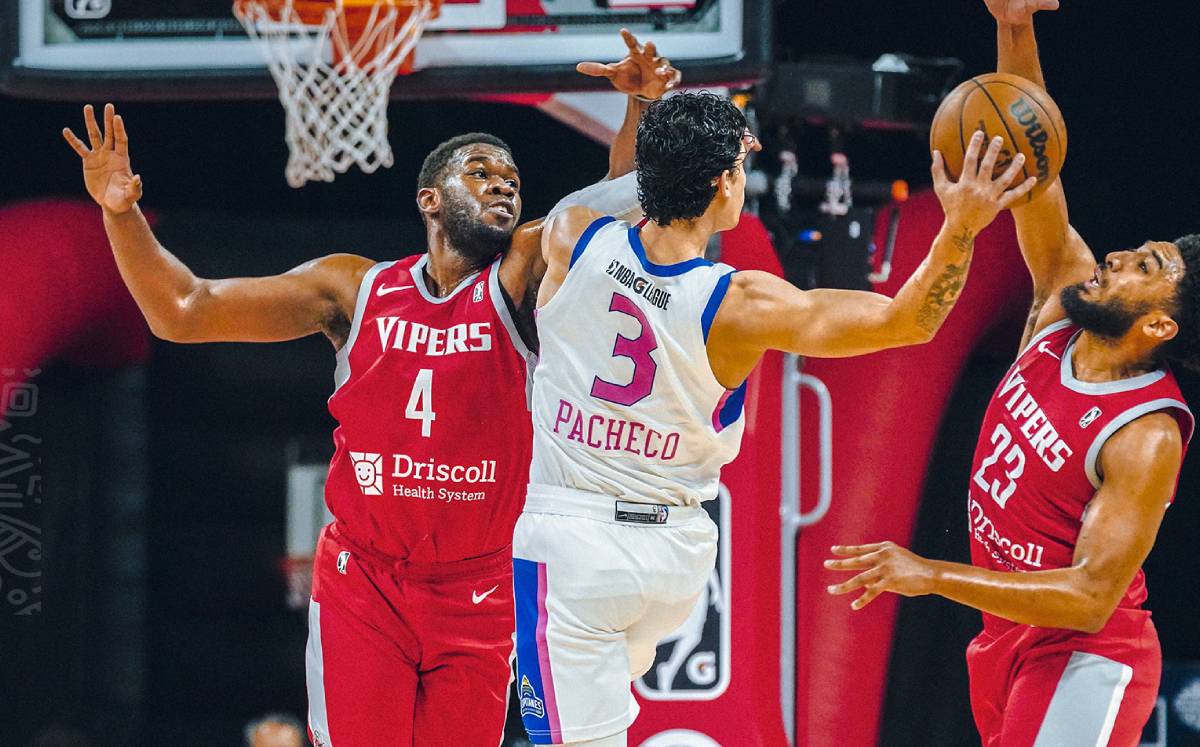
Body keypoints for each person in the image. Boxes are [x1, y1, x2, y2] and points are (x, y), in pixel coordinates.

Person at [61, 32, 679, 747]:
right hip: (368, 582)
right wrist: (119, 212)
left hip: (478, 591)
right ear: (431, 198)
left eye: (511, 177)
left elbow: (618, 204)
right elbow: (183, 310)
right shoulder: (355, 287)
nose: (504, 183)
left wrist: (641, 105)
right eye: (480, 171)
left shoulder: (520, 279)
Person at [512, 92, 1037, 746]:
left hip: (576, 542)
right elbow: (911, 320)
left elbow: (605, 199)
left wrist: (647, 117)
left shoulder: (572, 236)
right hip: (675, 559)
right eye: (737, 164)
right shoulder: (741, 304)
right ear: (722, 184)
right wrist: (960, 226)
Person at [824, 3, 1197, 745]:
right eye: (1135, 249)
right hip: (1007, 640)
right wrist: (1014, 26)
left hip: (1087, 654)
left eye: (1145, 267)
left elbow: (1092, 597)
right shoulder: (1063, 301)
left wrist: (928, 573)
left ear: (1160, 325)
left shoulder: (1146, 434)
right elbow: (1036, 167)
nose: (1119, 257)